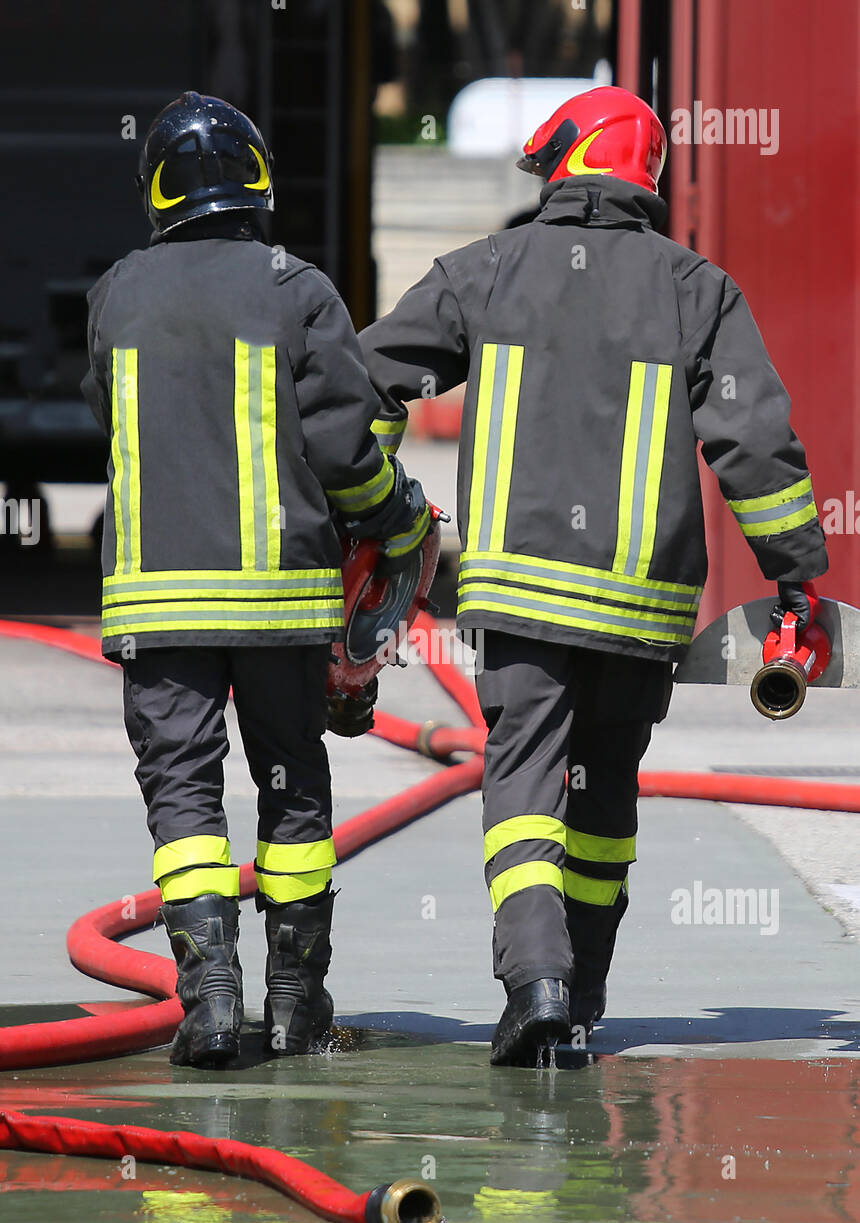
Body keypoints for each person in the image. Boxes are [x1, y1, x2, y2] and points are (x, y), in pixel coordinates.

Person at [358, 86, 829, 1066]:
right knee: (604, 794)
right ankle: (579, 1003)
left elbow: (363, 379)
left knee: (524, 782)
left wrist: (374, 513)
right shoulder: (695, 288)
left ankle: (530, 987)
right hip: (641, 613)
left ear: (563, 166)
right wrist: (793, 580)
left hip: (520, 598)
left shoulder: (484, 271)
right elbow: (754, 443)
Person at [81, 92, 428, 1068]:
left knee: (184, 795)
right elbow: (344, 452)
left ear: (158, 191)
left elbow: (113, 419)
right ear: (257, 178)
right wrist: (397, 524)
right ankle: (294, 1007)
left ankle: (209, 1004)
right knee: (292, 793)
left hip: (158, 603)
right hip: (279, 605)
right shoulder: (297, 288)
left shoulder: (119, 292)